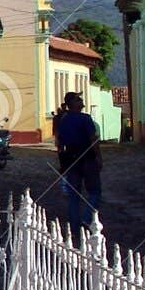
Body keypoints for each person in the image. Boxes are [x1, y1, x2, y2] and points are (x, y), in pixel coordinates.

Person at [55, 91, 103, 236]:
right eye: (78, 99)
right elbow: (93, 139)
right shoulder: (85, 119)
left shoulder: (63, 120)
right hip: (87, 158)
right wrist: (99, 156)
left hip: (70, 158)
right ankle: (86, 218)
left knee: (73, 195)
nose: (81, 101)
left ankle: (75, 228)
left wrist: (62, 161)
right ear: (72, 103)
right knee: (95, 191)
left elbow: (59, 143)